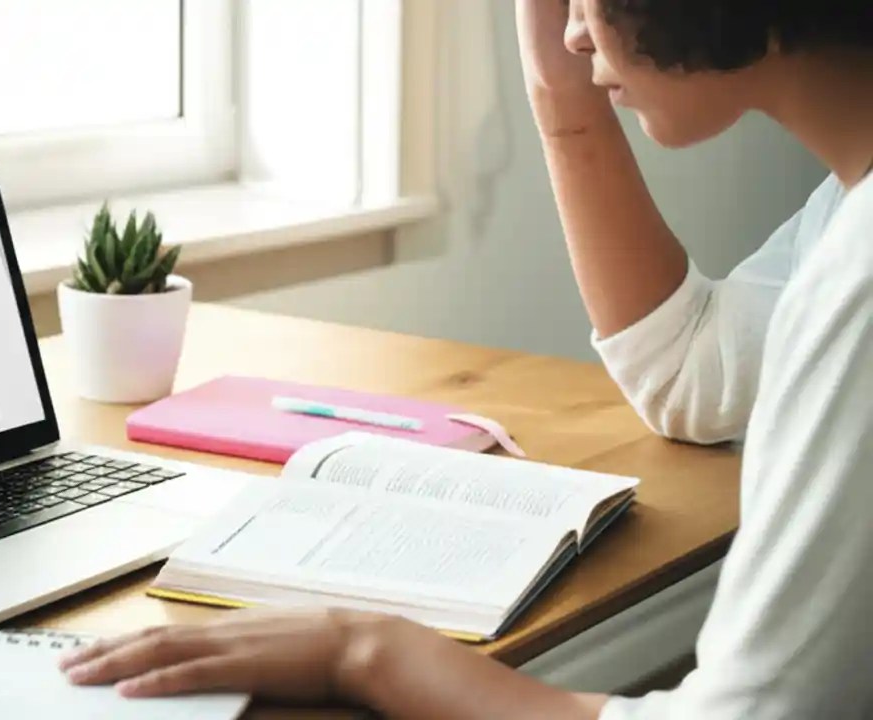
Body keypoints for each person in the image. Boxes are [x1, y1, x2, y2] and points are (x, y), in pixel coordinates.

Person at [59, 0, 873, 716]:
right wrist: (562, 103)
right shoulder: (845, 209)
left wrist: (368, 653)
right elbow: (702, 372)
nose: (571, 31)